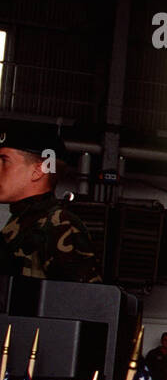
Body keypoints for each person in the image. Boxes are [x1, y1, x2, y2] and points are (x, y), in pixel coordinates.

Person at [0, 120, 100, 283]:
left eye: (4, 161)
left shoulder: (59, 226)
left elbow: (84, 303)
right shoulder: (22, 222)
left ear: (38, 171)